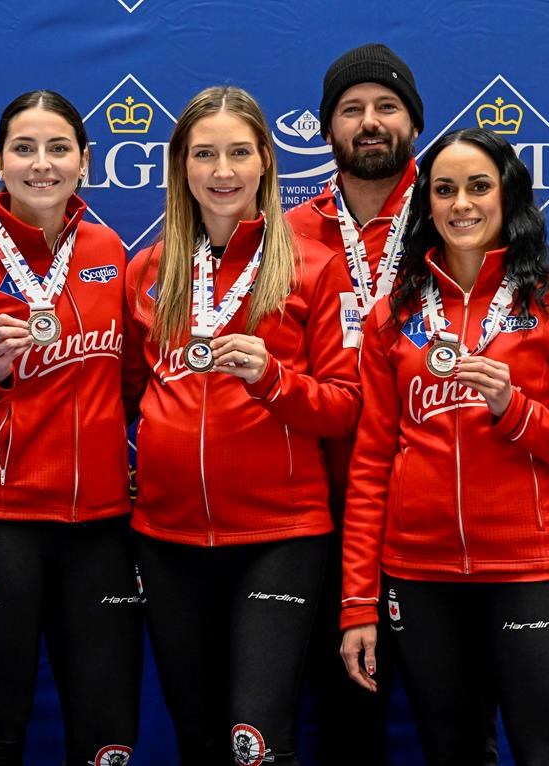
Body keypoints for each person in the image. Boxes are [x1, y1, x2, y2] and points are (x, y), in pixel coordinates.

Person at [284, 42, 549, 765]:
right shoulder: (391, 316)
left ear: (508, 196)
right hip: (405, 563)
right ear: (425, 203)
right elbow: (374, 456)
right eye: (445, 191)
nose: (461, 204)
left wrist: (517, 410)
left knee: (543, 753)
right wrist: (356, 603)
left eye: (477, 188)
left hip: (529, 567)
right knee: (447, 750)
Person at [124, 85, 361, 766]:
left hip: (278, 534)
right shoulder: (149, 270)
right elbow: (133, 393)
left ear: (265, 161)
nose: (221, 170)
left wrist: (272, 379)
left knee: (256, 742)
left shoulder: (315, 267)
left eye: (237, 152)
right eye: (204, 154)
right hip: (166, 540)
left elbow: (345, 405)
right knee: (198, 741)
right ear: (181, 167)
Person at [0, 90, 140, 766]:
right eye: (25, 149)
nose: (42, 165)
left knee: (107, 737)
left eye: (58, 148)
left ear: (85, 163)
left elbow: (129, 382)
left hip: (100, 526)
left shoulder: (110, 250)